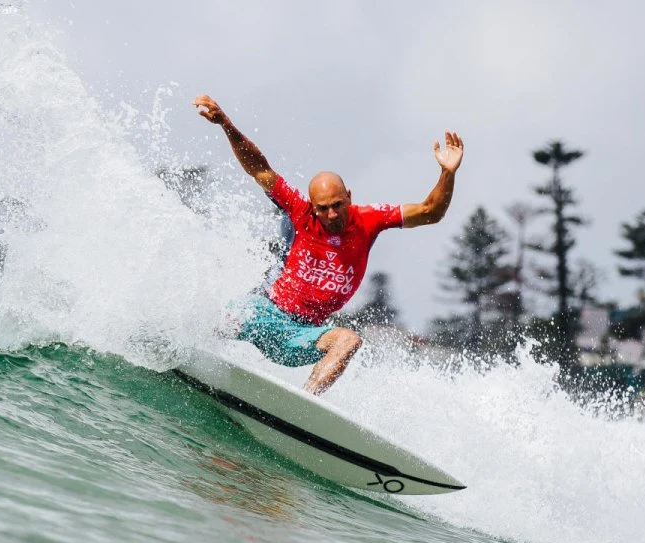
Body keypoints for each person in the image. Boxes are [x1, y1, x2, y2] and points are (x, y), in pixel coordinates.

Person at [194, 94, 464, 394]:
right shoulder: (301, 210)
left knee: (348, 340)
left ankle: (303, 405)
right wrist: (226, 125)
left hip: (302, 334)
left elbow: (430, 212)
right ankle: (170, 342)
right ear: (313, 205)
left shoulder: (370, 219)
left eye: (337, 204)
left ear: (349, 196)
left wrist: (447, 173)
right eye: (323, 208)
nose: (331, 214)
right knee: (217, 319)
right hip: (264, 312)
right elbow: (260, 169)